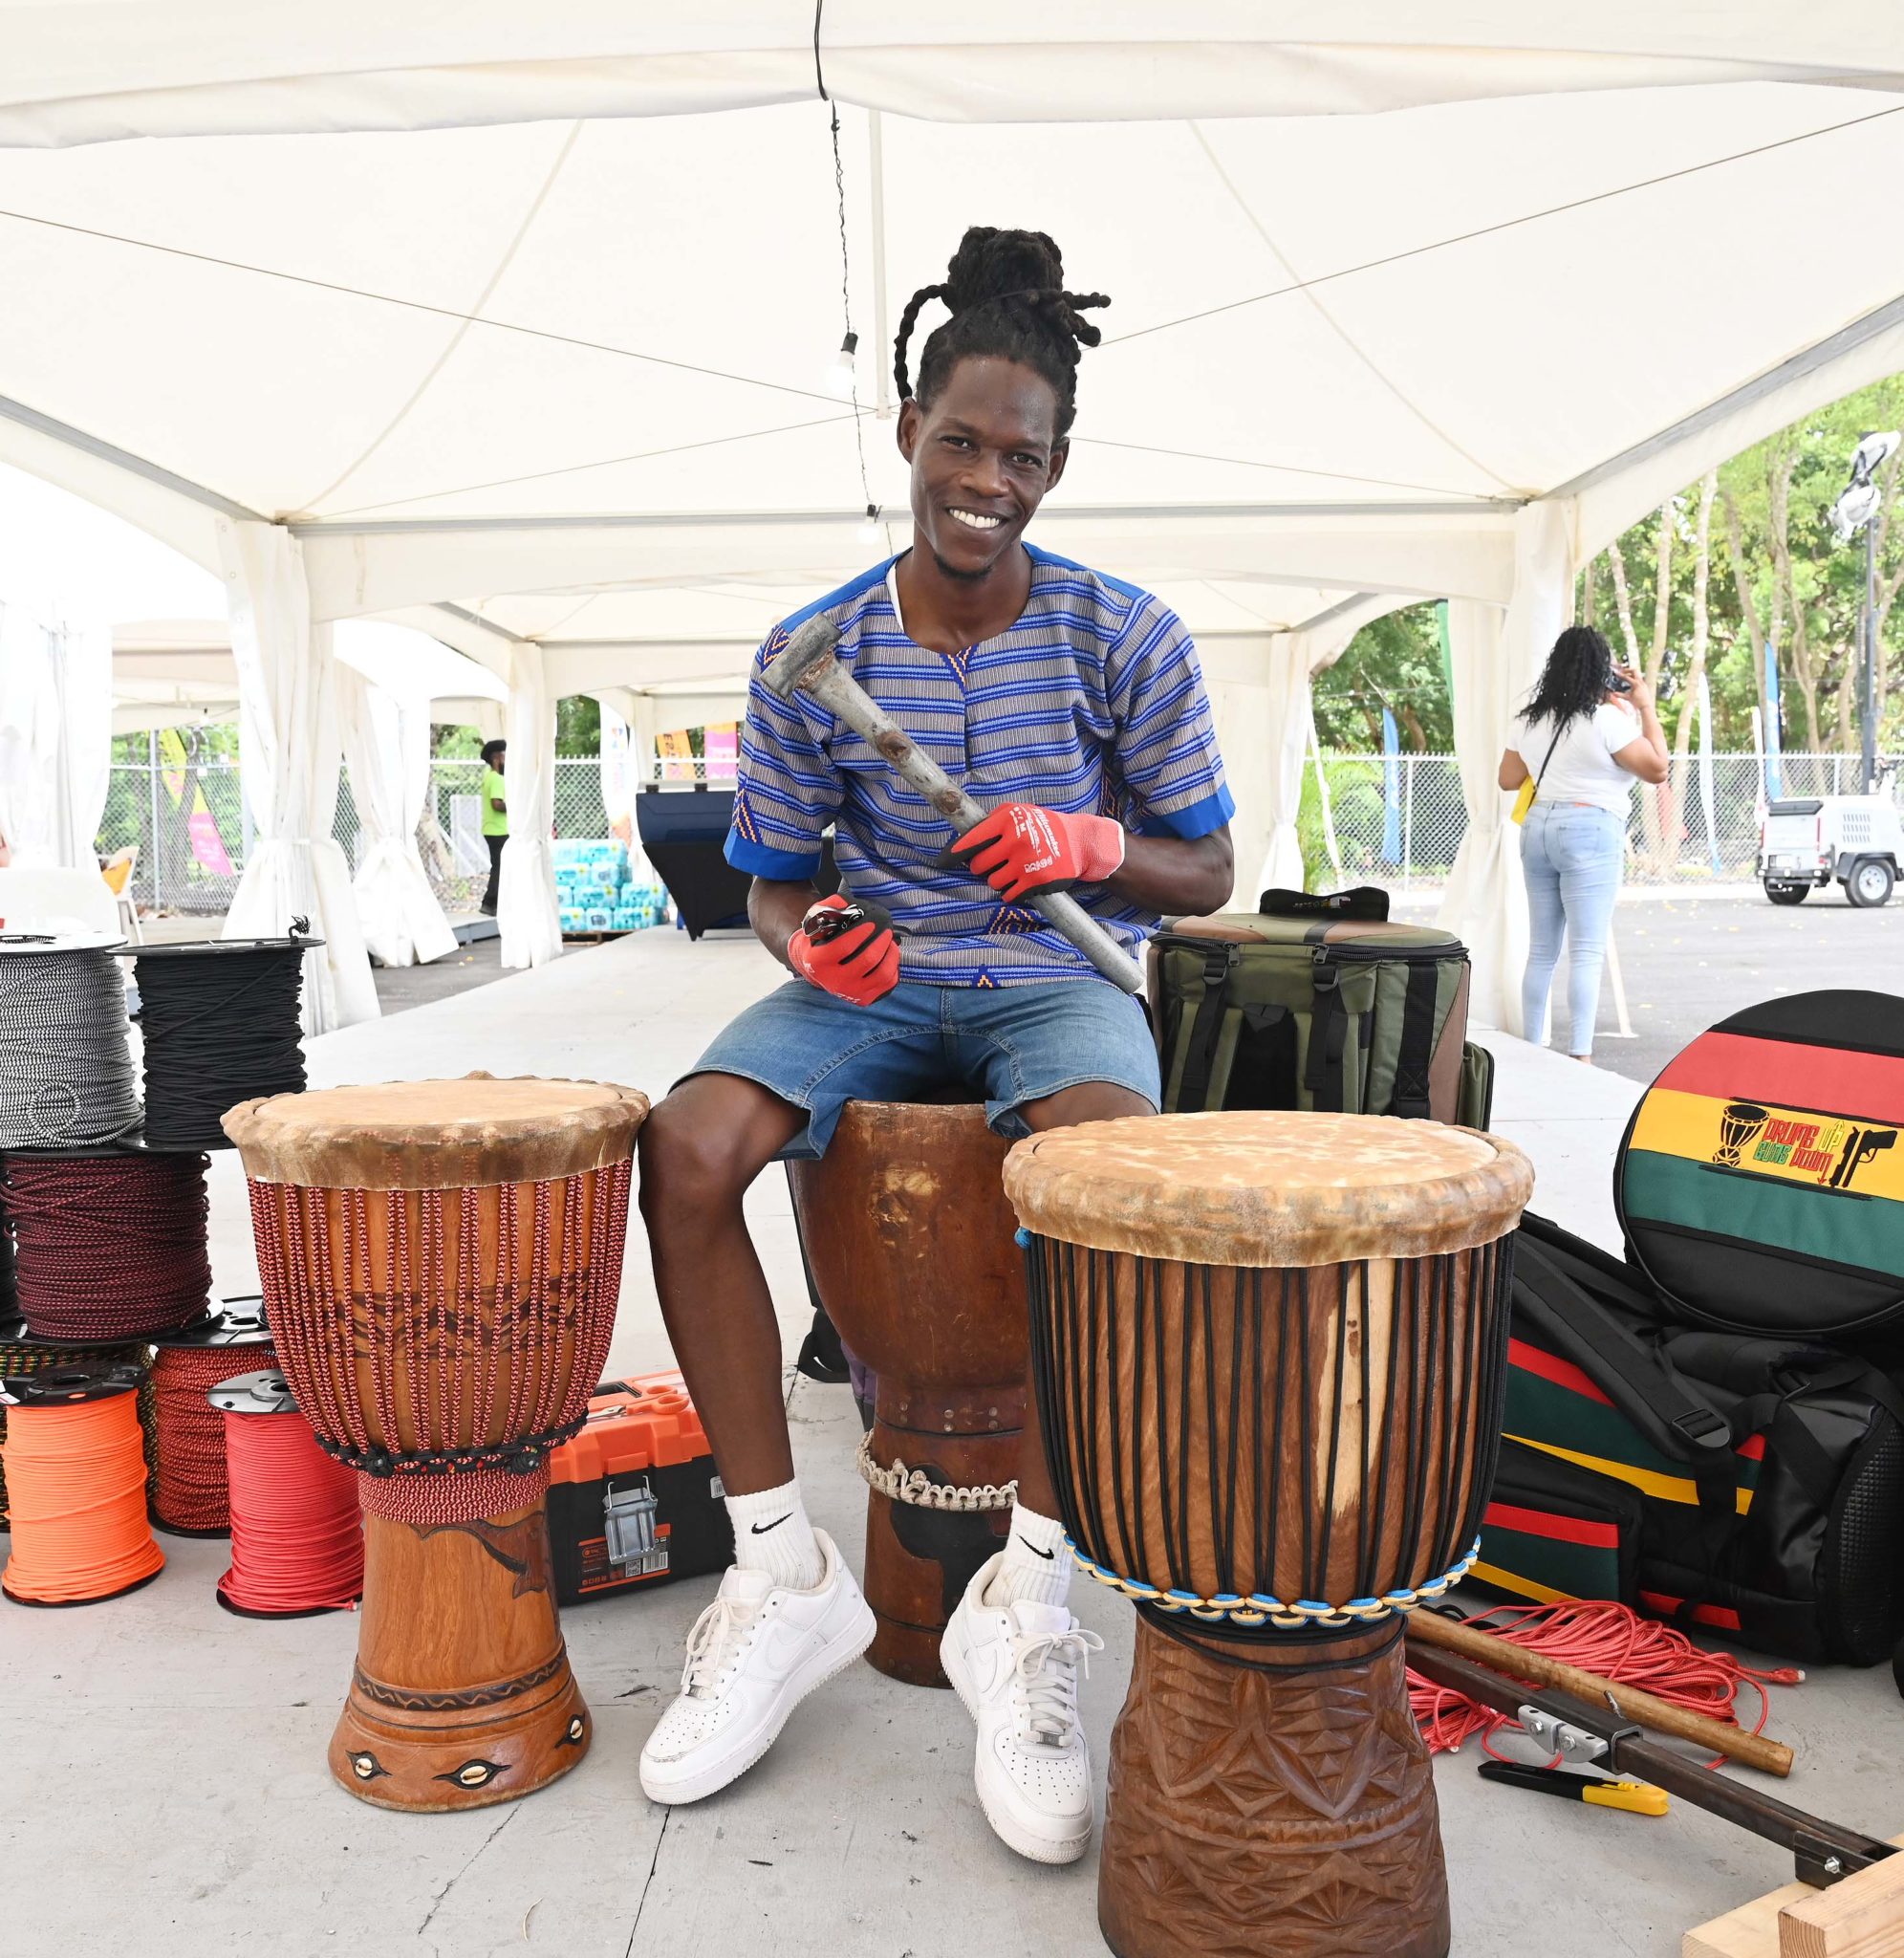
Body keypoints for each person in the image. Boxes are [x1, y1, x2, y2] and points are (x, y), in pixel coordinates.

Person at [635, 226, 1235, 1860]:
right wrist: (807, 933)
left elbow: (1209, 866)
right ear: (908, 433)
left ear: (1056, 462)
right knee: (684, 1151)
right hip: (879, 983)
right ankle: (779, 1572)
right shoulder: (807, 650)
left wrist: (1084, 847)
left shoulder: (1126, 634)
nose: (987, 479)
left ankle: (1024, 1603)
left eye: (1021, 455)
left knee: (1107, 1181)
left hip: (1055, 975)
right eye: (959, 442)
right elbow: (768, 882)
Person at [1498, 624, 1667, 1061]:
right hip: (1589, 828)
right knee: (1587, 950)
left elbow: (1507, 779)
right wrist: (1643, 704)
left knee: (1541, 950)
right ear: (1600, 671)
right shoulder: (1607, 720)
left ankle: (1532, 1049)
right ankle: (1579, 1054)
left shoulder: (1530, 719)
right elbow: (1657, 768)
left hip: (1538, 829)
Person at [478, 738, 507, 916]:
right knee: (500, 867)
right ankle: (489, 903)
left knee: (499, 866)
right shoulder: (496, 779)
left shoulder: (489, 777)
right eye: (504, 756)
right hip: (498, 830)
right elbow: (497, 804)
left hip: (493, 829)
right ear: (496, 758)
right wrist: (517, 807)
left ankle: (495, 902)